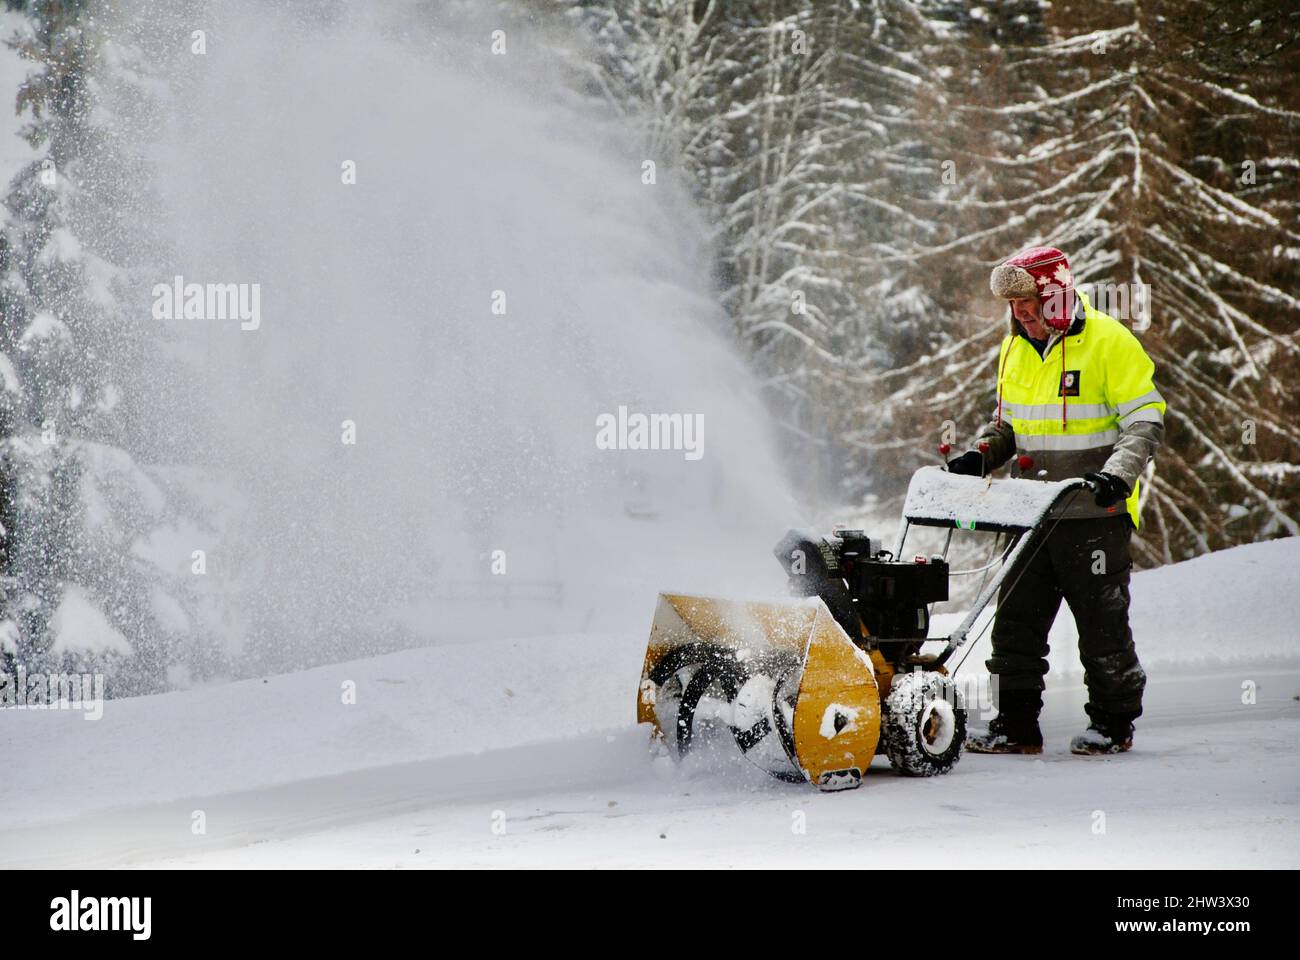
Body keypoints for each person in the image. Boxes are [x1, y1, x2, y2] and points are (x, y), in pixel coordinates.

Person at [952, 246, 1165, 755]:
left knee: (1101, 625)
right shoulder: (1015, 349)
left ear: (1056, 296)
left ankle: (1113, 723)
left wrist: (1117, 475)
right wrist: (981, 455)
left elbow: (1145, 419)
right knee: (1014, 628)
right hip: (1027, 514)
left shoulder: (1110, 342)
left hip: (1092, 514)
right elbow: (1008, 427)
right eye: (1014, 307)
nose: (1021, 314)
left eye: (1030, 303)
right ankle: (1014, 726)